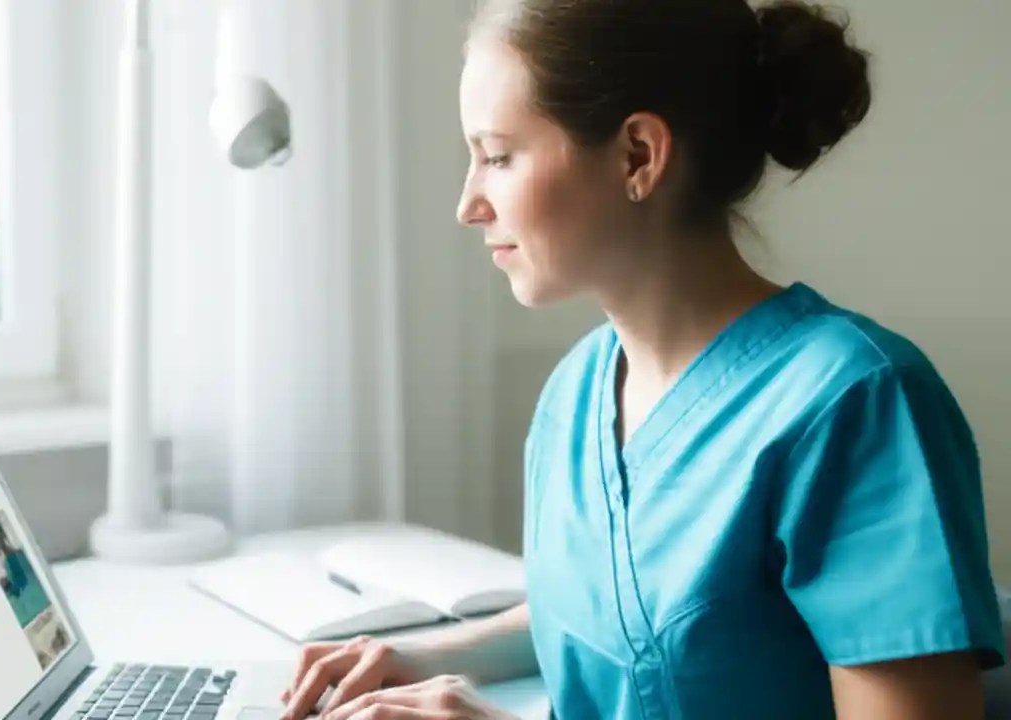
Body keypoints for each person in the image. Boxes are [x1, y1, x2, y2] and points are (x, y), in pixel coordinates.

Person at [279, 0, 1006, 718]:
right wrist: (429, 657)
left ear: (638, 155)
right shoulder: (577, 392)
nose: (469, 203)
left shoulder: (856, 403)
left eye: (497, 156)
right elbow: (634, 618)